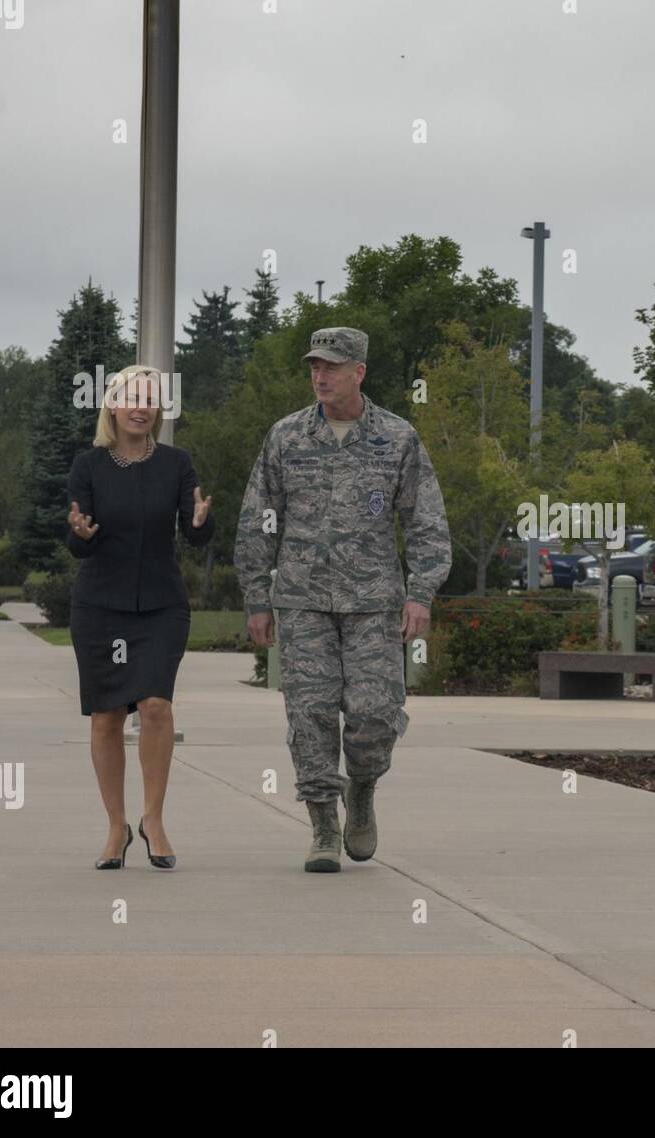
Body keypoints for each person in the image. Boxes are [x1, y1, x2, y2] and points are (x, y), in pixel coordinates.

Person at [235, 327, 450, 872]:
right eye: (314, 366)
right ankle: (324, 825)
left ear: (359, 372)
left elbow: (425, 522)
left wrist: (420, 593)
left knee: (374, 714)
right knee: (309, 714)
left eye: (331, 367)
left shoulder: (397, 439)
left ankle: (363, 788)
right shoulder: (286, 437)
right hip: (302, 601)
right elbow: (259, 518)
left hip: (374, 603)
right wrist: (257, 596)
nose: (320, 376)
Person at [66, 364, 213, 870]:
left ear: (158, 409)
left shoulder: (176, 463)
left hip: (160, 605)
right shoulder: (89, 464)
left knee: (155, 706)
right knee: (107, 716)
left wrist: (199, 519)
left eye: (149, 399)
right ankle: (116, 827)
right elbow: (76, 540)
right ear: (112, 404)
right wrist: (81, 534)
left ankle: (154, 820)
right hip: (99, 605)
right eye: (130, 397)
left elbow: (196, 537)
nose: (140, 406)